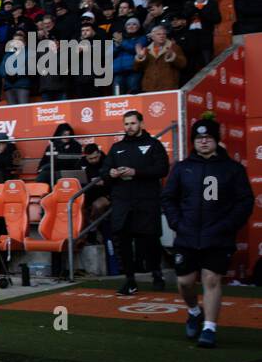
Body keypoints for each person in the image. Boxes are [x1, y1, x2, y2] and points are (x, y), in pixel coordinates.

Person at [161, 118, 255, 348]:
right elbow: (168, 198)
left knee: (211, 279)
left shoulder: (233, 169)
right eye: (199, 138)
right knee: (184, 282)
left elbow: (245, 202)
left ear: (216, 140)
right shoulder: (182, 168)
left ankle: (209, 328)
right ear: (194, 141)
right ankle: (194, 311)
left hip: (218, 236)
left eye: (208, 137)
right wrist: (177, 223)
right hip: (187, 234)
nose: (203, 142)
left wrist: (227, 226)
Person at [103, 110, 170, 295]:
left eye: (132, 123)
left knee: (150, 241)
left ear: (141, 123)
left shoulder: (154, 144)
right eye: (126, 124)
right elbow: (104, 170)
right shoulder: (117, 148)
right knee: (123, 241)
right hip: (122, 203)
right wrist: (111, 174)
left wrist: (136, 172)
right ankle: (130, 280)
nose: (129, 127)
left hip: (146, 202)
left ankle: (157, 274)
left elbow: (162, 169)